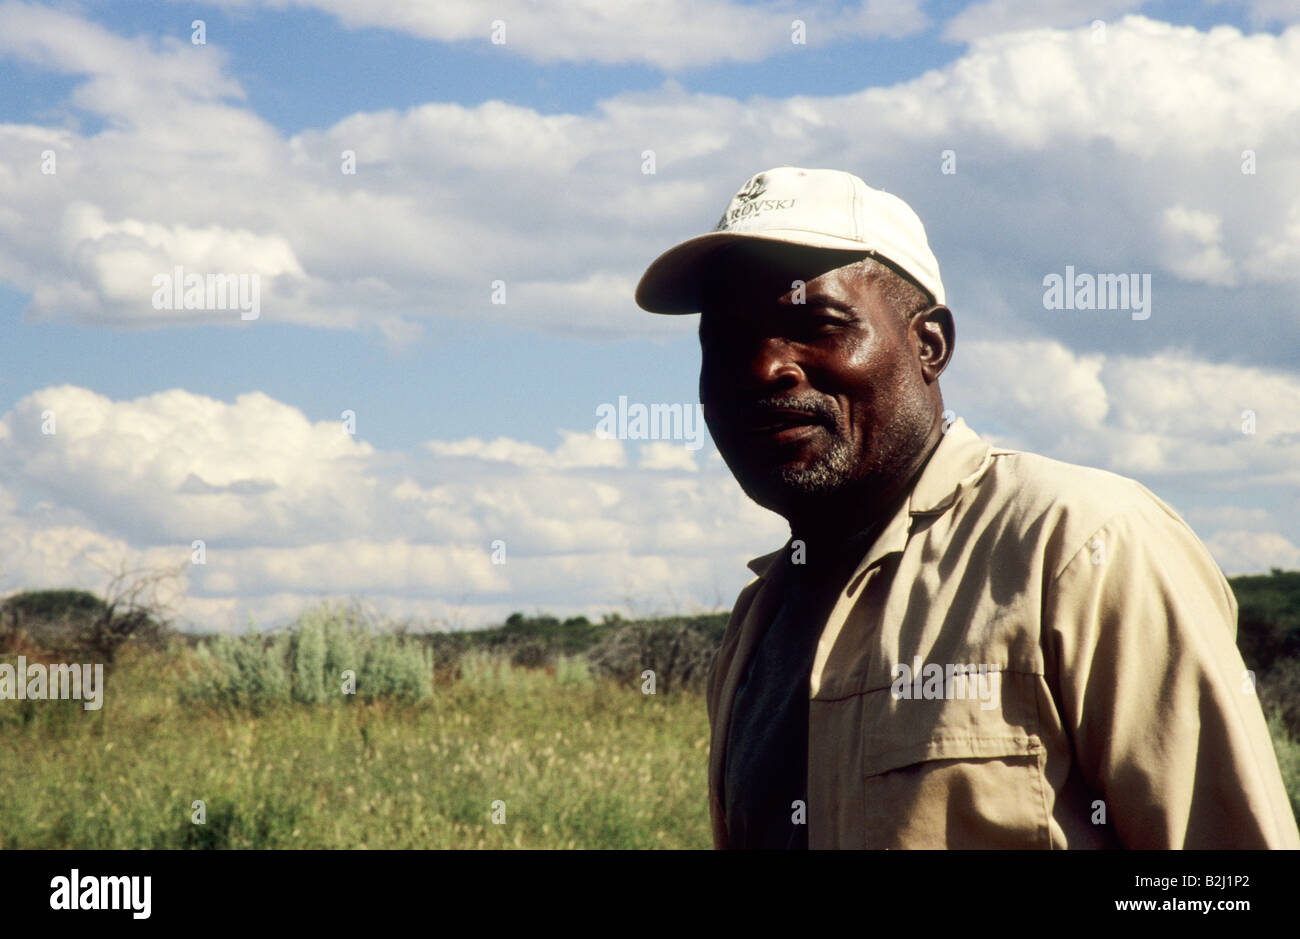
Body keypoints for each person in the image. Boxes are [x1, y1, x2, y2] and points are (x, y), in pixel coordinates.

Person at [634, 166, 1300, 849]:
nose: (764, 367)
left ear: (931, 345)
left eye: (816, 324)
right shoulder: (758, 626)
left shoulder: (1083, 547)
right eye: (729, 342)